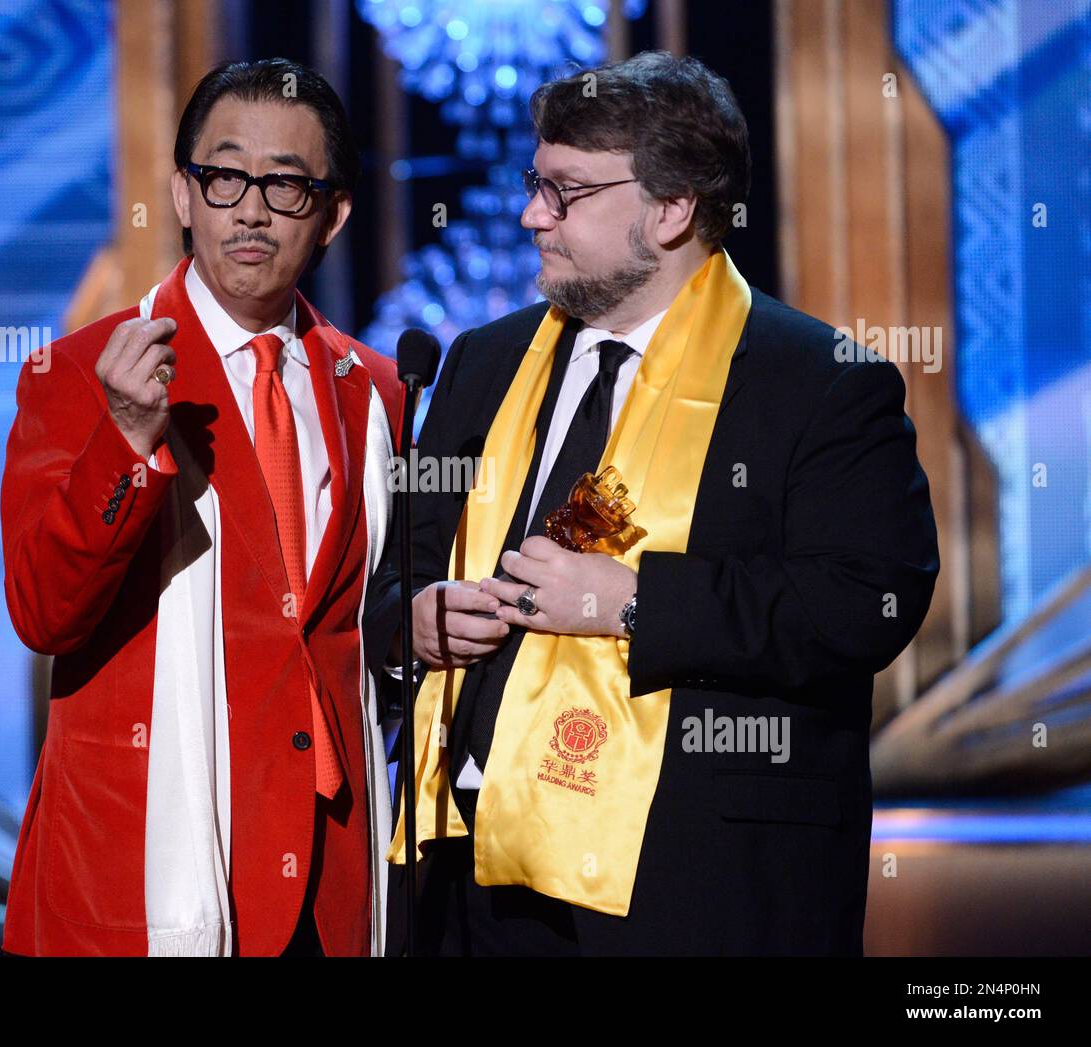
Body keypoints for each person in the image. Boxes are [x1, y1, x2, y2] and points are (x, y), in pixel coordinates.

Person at [364, 50, 939, 956]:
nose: (530, 217)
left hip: (688, 889)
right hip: (468, 881)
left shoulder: (821, 382)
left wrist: (628, 603)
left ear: (672, 210)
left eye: (567, 193)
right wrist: (416, 624)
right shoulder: (481, 362)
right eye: (534, 184)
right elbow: (395, 586)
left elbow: (865, 603)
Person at [0, 58, 405, 956]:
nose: (250, 210)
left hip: (331, 885)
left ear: (334, 214)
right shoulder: (78, 373)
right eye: (224, 178)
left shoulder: (372, 390)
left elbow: (353, 627)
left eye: (286, 186)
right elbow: (41, 610)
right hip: (146, 879)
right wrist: (127, 443)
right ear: (183, 196)